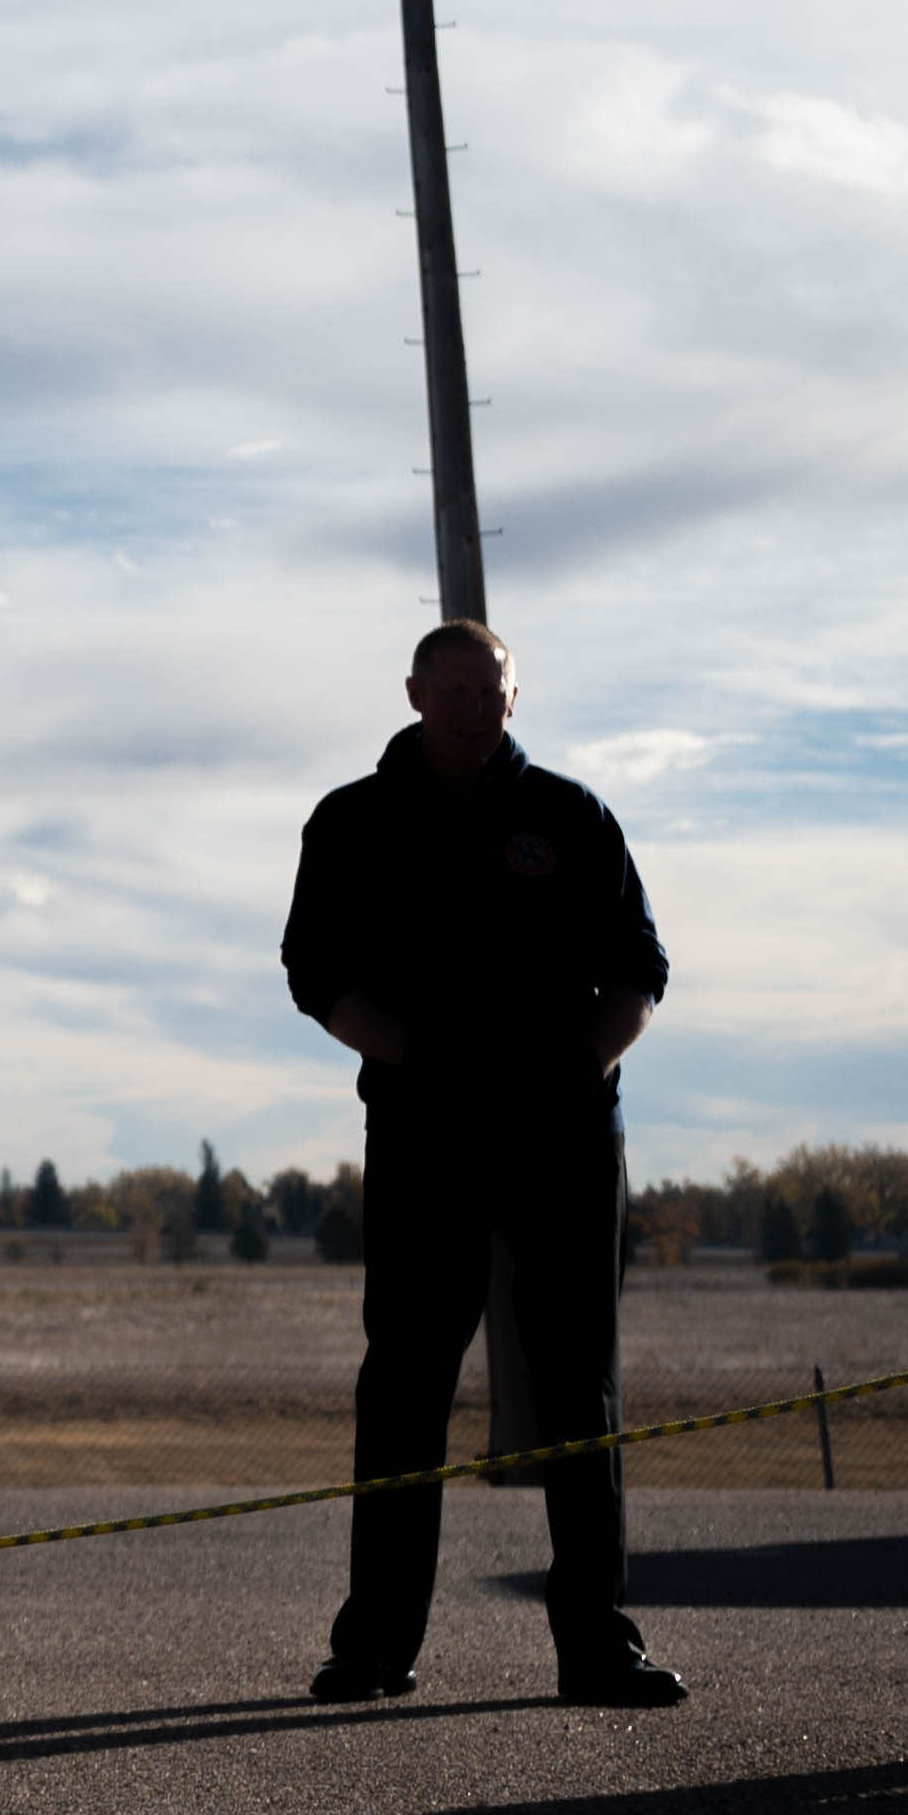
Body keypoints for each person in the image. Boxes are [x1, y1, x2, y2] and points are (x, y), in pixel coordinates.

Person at [280, 619, 686, 1706]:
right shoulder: (353, 821)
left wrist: (583, 1065)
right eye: (451, 687)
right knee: (406, 1384)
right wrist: (416, 1059)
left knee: (576, 1386)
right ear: (414, 690)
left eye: (489, 686)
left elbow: (639, 968)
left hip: (561, 1139)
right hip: (424, 1134)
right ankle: (373, 1646)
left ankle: (597, 1642)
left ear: (516, 694)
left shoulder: (570, 816)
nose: (471, 703)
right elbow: (315, 976)